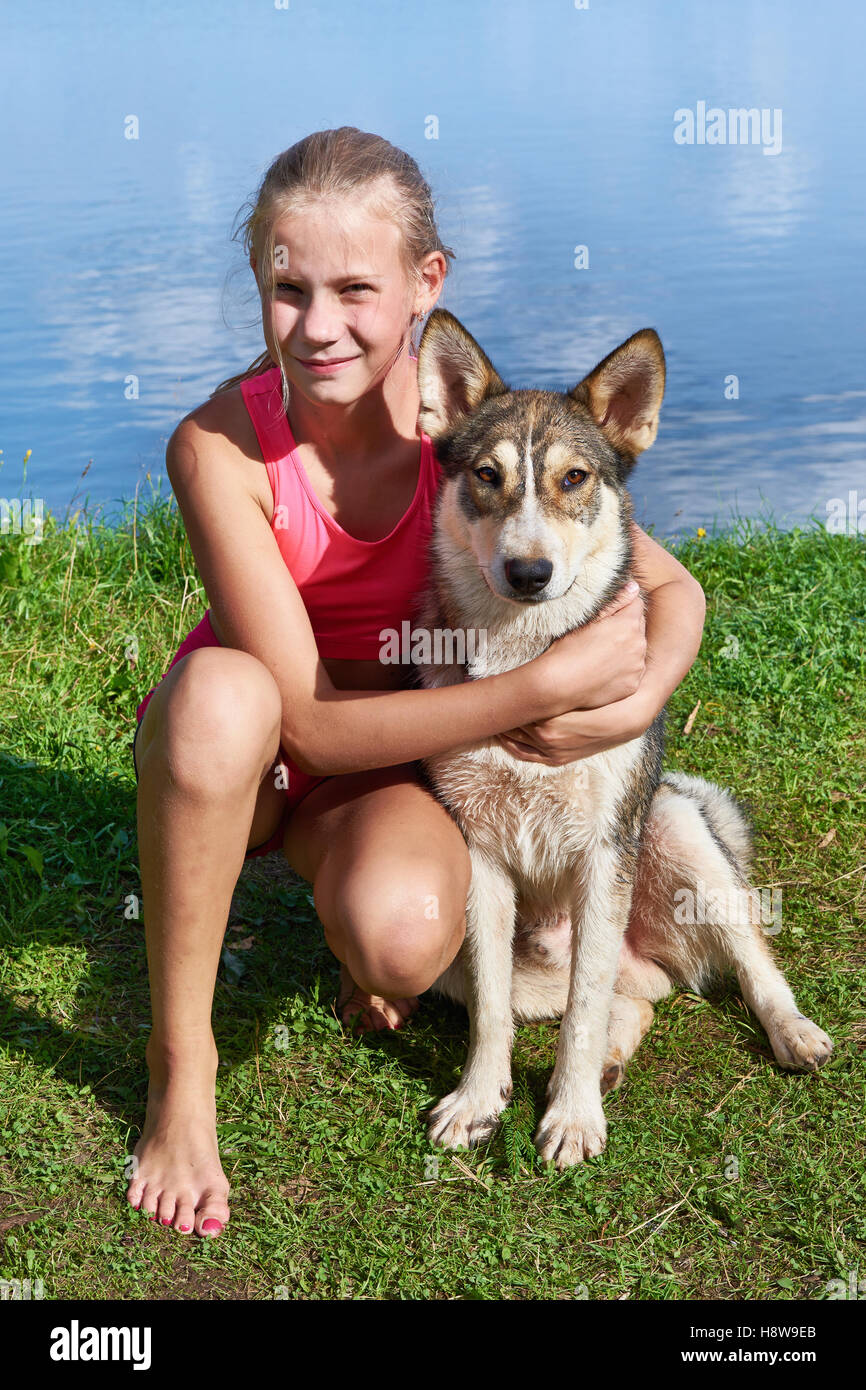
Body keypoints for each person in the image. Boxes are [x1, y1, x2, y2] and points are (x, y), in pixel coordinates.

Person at [126, 127, 706, 1238]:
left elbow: (675, 592)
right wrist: (542, 690)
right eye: (288, 288)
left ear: (424, 284)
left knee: (403, 936)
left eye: (356, 288)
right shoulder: (218, 448)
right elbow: (306, 722)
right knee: (220, 699)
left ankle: (344, 917)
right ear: (257, 281)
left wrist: (634, 700)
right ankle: (182, 1069)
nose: (320, 325)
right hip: (253, 758)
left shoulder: (465, 425)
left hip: (389, 764)